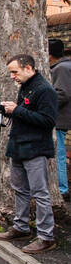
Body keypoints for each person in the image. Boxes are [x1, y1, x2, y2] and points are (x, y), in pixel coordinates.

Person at [0, 53, 58, 254]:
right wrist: (6, 109)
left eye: (15, 72)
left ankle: (46, 237)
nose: (12, 76)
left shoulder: (45, 90)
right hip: (20, 146)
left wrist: (17, 110)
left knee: (40, 193)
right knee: (20, 189)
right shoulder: (26, 86)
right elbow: (25, 113)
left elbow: (48, 121)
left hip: (35, 148)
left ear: (28, 68)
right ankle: (21, 227)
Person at [48, 38, 71, 200]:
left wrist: (43, 101)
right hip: (60, 117)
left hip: (59, 118)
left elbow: (62, 94)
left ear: (49, 54)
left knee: (58, 155)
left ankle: (62, 189)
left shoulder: (61, 68)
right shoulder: (63, 66)